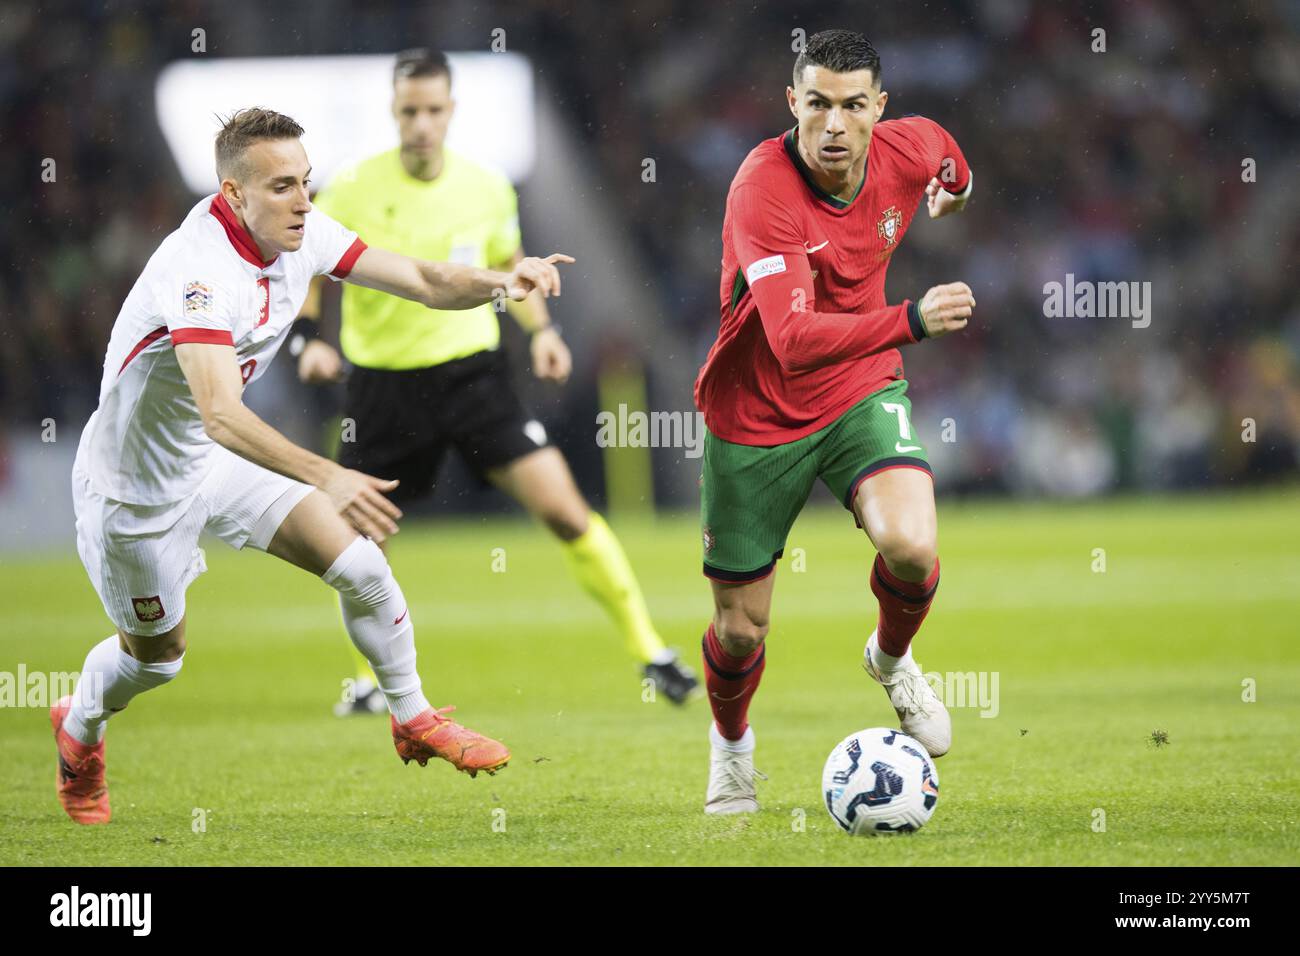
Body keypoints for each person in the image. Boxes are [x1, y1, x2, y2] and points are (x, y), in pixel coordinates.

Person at [53, 107, 572, 824]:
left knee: (360, 563)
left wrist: (500, 283)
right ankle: (79, 729)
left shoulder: (304, 232)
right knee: (157, 660)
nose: (302, 201)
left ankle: (412, 716)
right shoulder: (197, 270)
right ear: (234, 195)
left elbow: (421, 277)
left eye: (305, 181)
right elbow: (220, 412)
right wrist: (326, 474)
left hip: (211, 463)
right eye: (280, 188)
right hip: (135, 492)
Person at [295, 48, 697, 714]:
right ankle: (366, 685)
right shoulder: (350, 189)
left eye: (431, 110)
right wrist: (312, 341)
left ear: (450, 111)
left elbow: (509, 265)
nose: (421, 124)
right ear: (394, 113)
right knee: (354, 543)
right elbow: (313, 267)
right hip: (382, 386)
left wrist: (541, 332)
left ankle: (650, 651)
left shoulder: (486, 186)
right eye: (408, 111)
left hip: (474, 378)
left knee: (567, 511)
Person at [693, 30, 976, 814]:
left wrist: (955, 190)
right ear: (793, 102)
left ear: (878, 109)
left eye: (854, 106)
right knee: (742, 633)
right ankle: (732, 750)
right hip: (757, 411)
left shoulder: (908, 148)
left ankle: (891, 660)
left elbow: (950, 158)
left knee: (913, 547)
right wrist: (910, 319)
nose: (835, 125)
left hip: (857, 388)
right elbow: (791, 339)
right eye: (817, 103)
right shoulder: (762, 188)